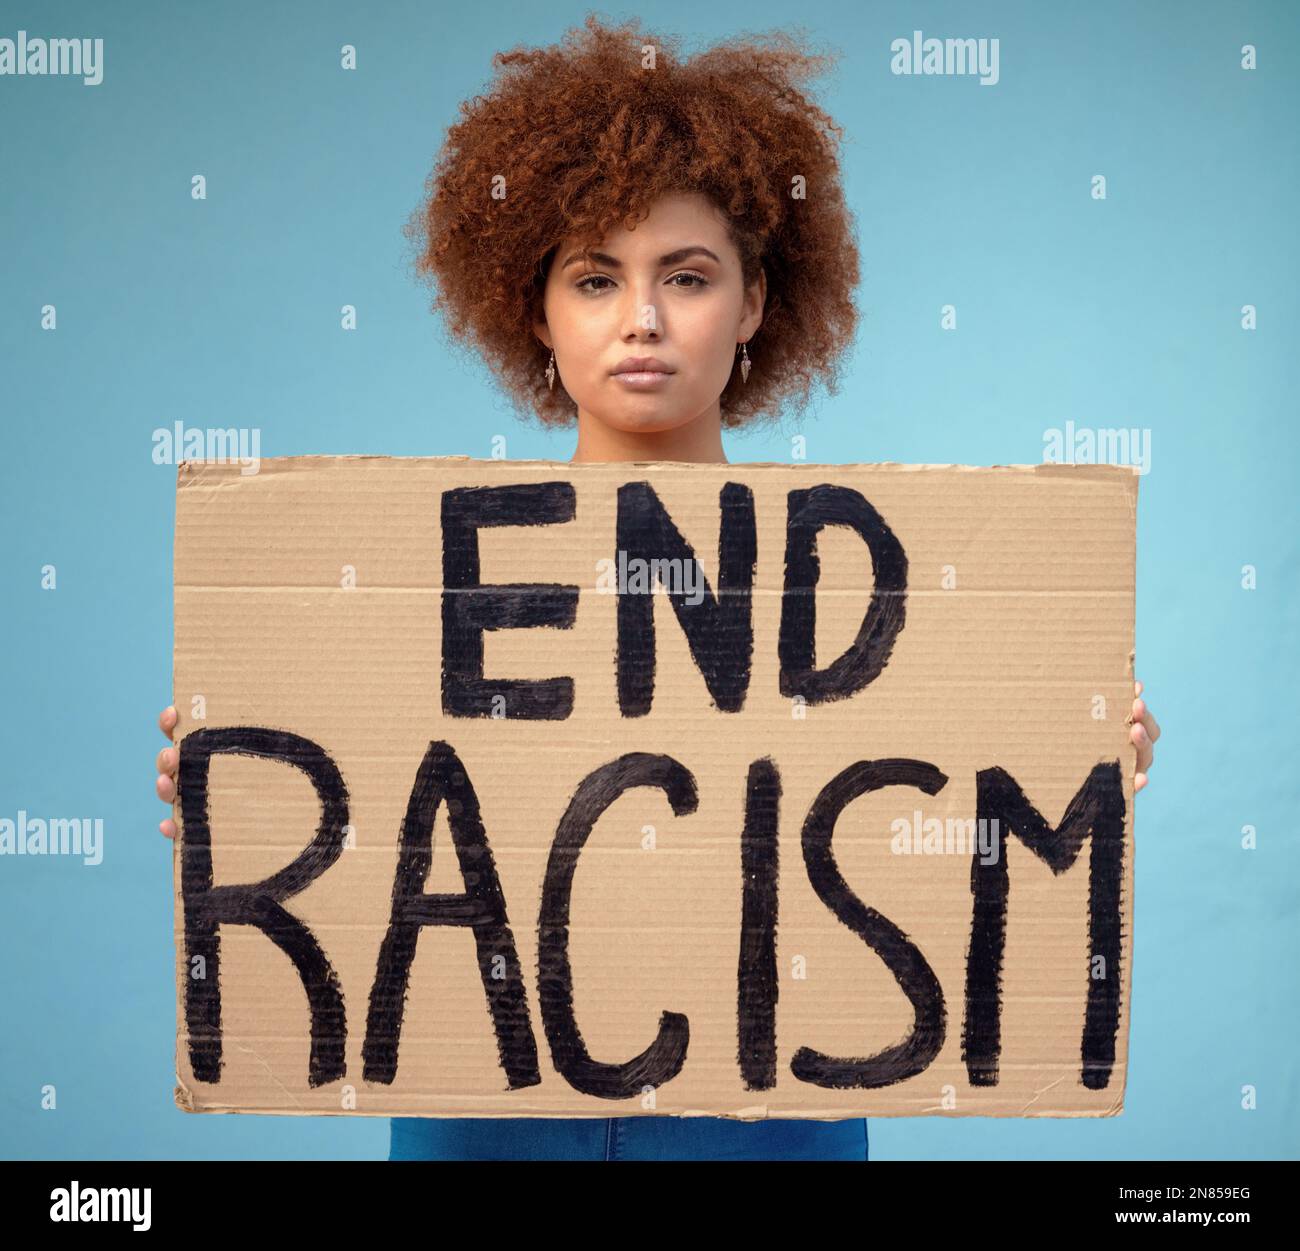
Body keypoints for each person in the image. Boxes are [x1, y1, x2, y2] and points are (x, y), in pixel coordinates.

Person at [153, 15, 1160, 1161]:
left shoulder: (859, 594)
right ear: (535, 309)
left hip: (771, 1119)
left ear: (755, 307)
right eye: (594, 278)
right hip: (484, 1110)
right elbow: (366, 820)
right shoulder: (406, 592)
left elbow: (941, 830)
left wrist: (1069, 751)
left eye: (686, 276)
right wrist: (238, 795)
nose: (641, 318)